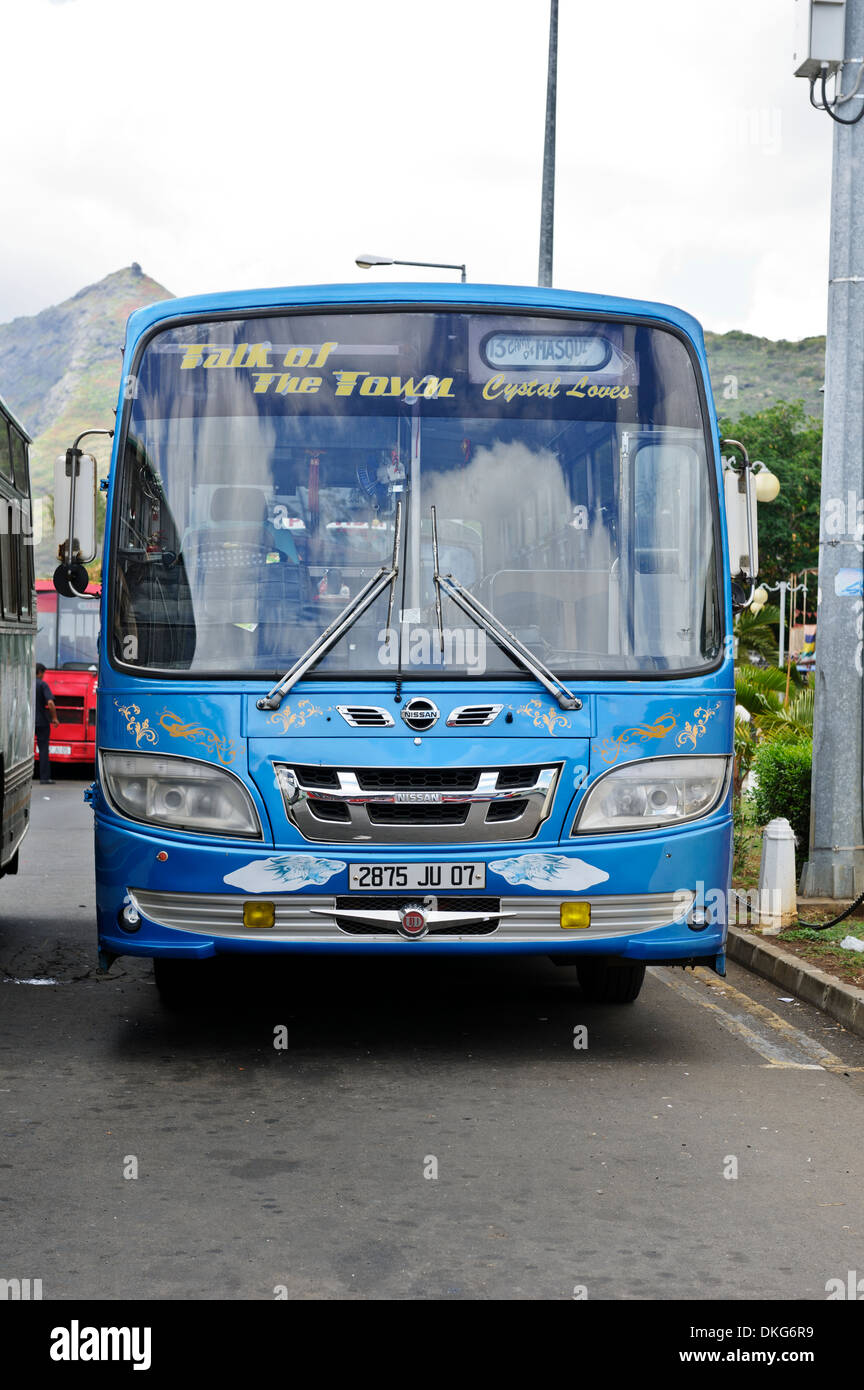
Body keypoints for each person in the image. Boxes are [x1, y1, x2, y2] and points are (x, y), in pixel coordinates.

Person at [34, 663, 59, 785]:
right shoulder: (42, 684)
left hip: (28, 722)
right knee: (43, 749)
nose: (43, 676)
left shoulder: (27, 683)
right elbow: (50, 703)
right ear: (39, 672)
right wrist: (54, 718)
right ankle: (44, 778)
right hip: (42, 722)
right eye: (43, 673)